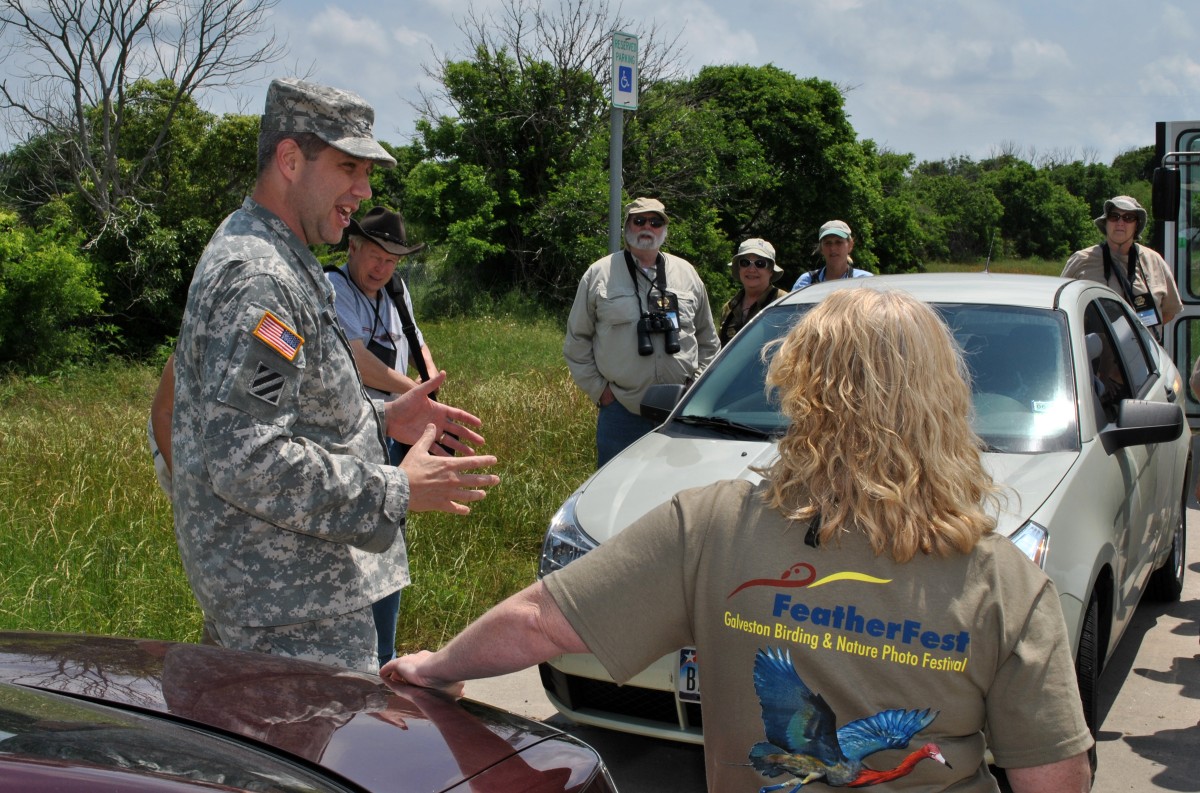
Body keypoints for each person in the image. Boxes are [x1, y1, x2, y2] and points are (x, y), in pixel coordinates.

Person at [383, 288, 1094, 793]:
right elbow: (1054, 777)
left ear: (801, 392)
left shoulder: (712, 524)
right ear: (948, 402)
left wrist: (435, 665)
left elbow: (539, 621)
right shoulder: (1002, 579)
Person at [170, 77, 500, 674]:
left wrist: (384, 416)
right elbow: (248, 457)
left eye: (367, 171)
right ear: (290, 160)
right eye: (349, 167)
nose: (363, 190)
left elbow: (281, 415)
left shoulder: (274, 258)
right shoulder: (262, 279)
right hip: (289, 618)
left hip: (285, 601)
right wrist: (397, 489)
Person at [326, 205, 436, 667]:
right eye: (375, 256)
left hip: (394, 433)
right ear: (353, 247)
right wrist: (416, 391)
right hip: (350, 434)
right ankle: (352, 659)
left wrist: (432, 384)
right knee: (352, 545)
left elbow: (417, 340)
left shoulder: (395, 289)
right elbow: (357, 359)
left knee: (388, 541)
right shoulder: (334, 287)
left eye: (392, 260)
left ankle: (383, 656)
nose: (382, 268)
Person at [563, 197, 720, 468]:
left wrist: (696, 388)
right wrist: (601, 392)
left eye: (655, 221)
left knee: (673, 494)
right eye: (639, 221)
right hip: (622, 411)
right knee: (614, 497)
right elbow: (577, 341)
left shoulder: (687, 273)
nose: (647, 227)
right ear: (627, 226)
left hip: (680, 411)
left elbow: (708, 340)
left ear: (664, 229)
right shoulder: (599, 274)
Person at [1061, 195, 1181, 341]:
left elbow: (1169, 312)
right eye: (1114, 216)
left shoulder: (1153, 260)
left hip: (1144, 357)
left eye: (1128, 217)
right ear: (1105, 222)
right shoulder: (1081, 260)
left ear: (1137, 225)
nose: (1120, 222)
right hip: (1093, 357)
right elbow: (1062, 309)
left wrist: (1134, 335)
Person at [717, 237, 789, 346]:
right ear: (739, 268)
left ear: (770, 270)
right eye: (745, 263)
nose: (751, 269)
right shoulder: (729, 309)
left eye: (760, 263)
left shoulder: (785, 303)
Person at [791, 219, 873, 289]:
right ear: (821, 248)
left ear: (850, 245)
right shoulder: (806, 282)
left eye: (838, 242)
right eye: (828, 243)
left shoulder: (864, 281)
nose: (833, 248)